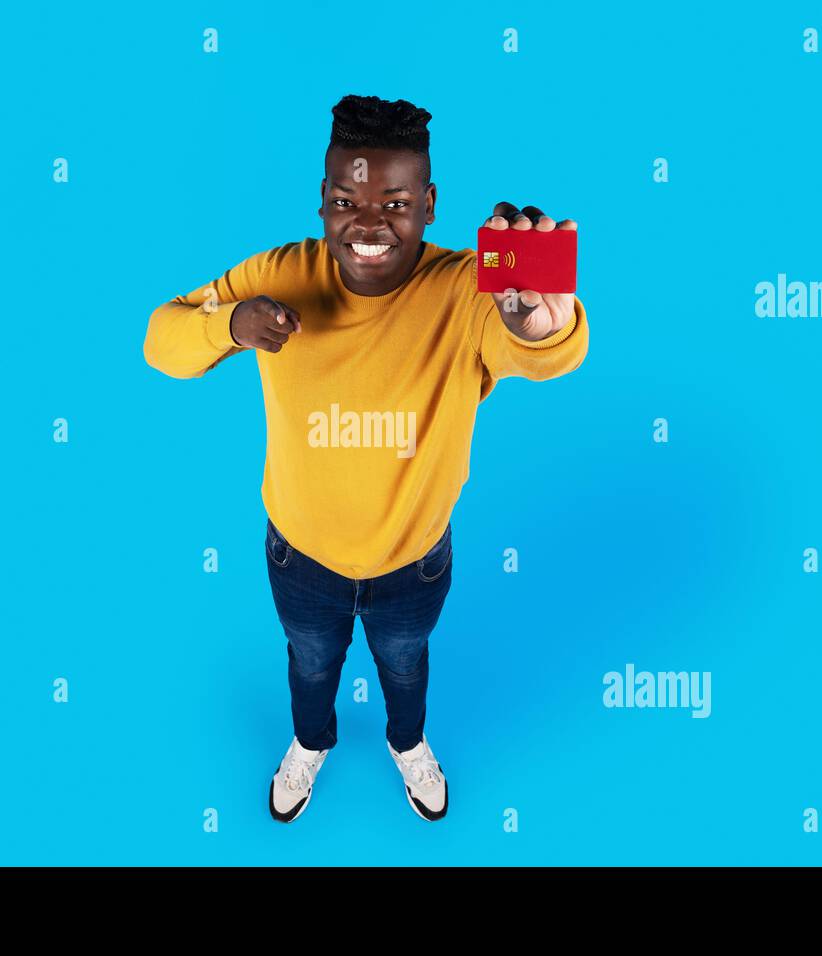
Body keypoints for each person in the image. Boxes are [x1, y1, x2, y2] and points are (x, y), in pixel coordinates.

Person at [144, 94, 589, 823]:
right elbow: (161, 340)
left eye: (396, 201)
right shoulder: (279, 275)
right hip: (302, 560)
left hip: (413, 564)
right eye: (347, 198)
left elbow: (542, 352)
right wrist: (232, 323)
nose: (370, 223)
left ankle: (406, 743)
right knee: (311, 665)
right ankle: (310, 741)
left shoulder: (468, 290)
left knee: (405, 665)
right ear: (322, 200)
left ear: (431, 204)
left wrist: (544, 325)